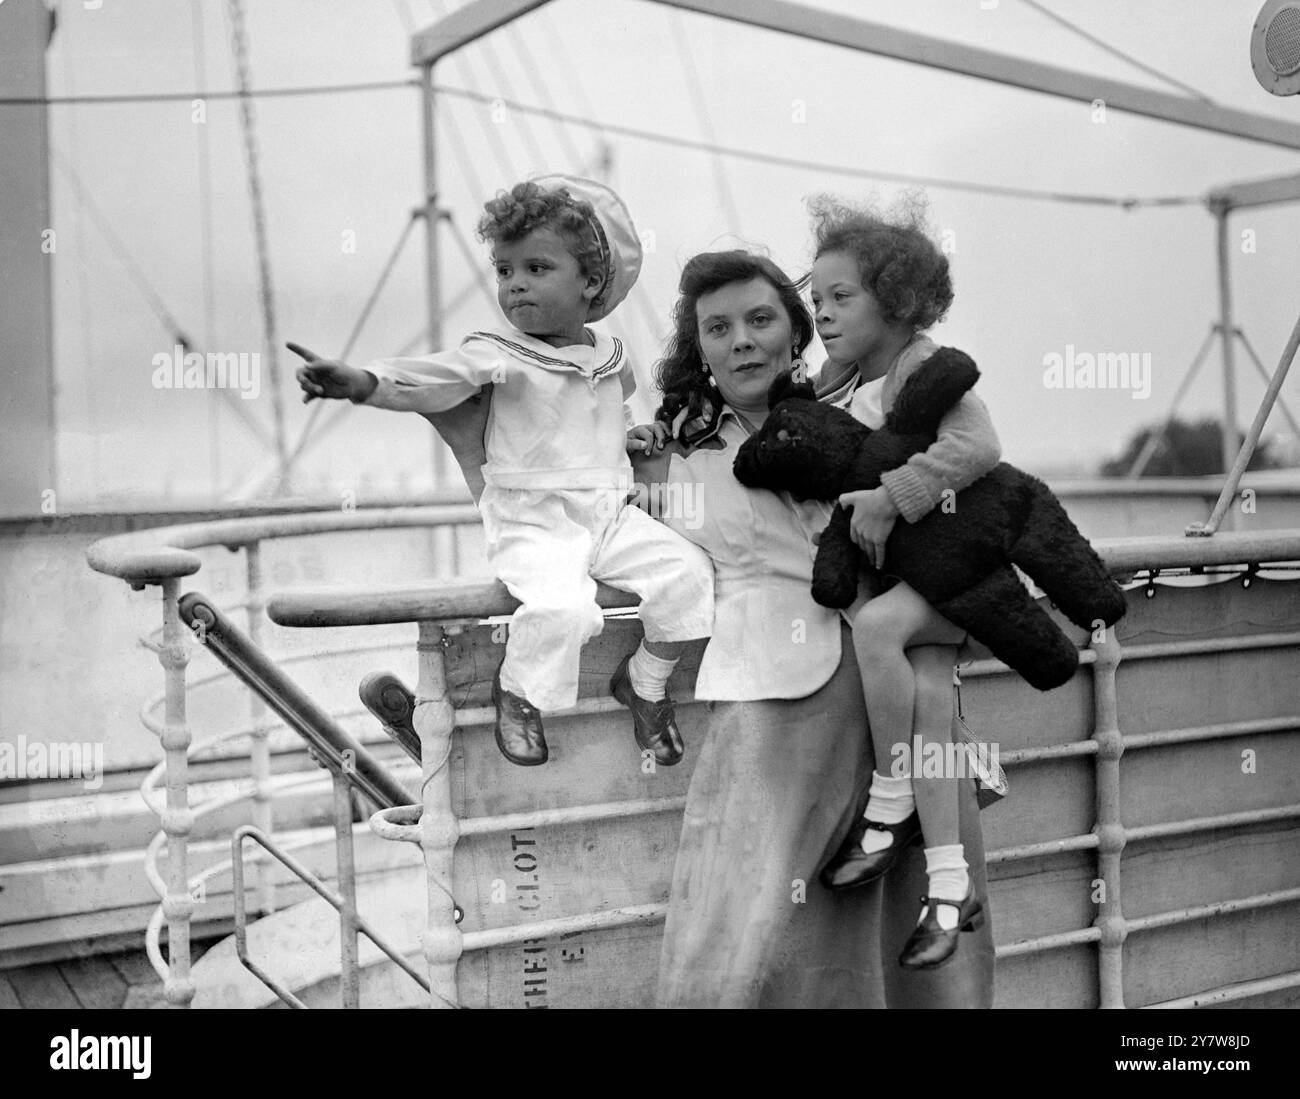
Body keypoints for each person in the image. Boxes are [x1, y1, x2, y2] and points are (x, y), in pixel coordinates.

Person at [632, 250, 994, 1007]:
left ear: (797, 333)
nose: (742, 340)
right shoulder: (677, 457)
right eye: (718, 327)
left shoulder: (860, 415)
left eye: (761, 319)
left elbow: (965, 498)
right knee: (743, 927)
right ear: (699, 347)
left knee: (914, 922)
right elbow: (616, 548)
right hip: (774, 711)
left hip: (891, 696)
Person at [291, 175, 714, 771]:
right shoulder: (499, 353)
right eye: (505, 269)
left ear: (591, 282)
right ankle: (518, 693)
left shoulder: (609, 360)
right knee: (566, 608)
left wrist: (626, 437)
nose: (515, 283)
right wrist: (364, 384)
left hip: (609, 515)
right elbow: (434, 378)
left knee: (689, 575)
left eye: (536, 268)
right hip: (532, 521)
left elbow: (585, 425)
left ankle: (645, 683)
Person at [808, 193, 1003, 969]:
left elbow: (980, 441)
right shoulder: (842, 377)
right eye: (815, 299)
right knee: (925, 697)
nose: (822, 313)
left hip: (958, 560)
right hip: (912, 576)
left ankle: (888, 801)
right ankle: (949, 889)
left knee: (882, 632)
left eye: (840, 297)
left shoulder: (922, 365)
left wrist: (896, 497)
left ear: (894, 297)